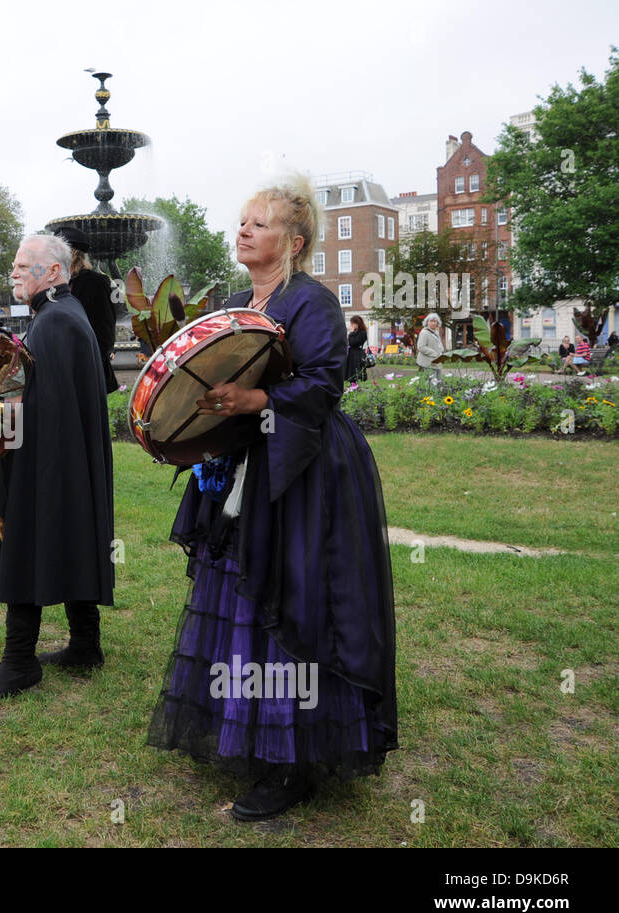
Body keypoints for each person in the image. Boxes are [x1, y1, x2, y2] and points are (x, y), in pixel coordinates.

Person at [146, 177, 397, 821]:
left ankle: (295, 761)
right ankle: (251, 732)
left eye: (260, 223)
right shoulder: (234, 302)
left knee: (294, 598)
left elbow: (323, 384)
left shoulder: (311, 301)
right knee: (242, 594)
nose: (245, 230)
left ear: (295, 240)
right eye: (243, 221)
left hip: (304, 469)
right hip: (245, 466)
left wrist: (256, 400)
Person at [0, 236, 115, 702]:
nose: (13, 272)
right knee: (74, 529)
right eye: (13, 265)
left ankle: (19, 662)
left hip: (43, 458)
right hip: (63, 455)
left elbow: (29, 407)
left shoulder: (54, 322)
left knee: (26, 535)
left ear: (52, 272)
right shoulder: (63, 315)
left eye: (22, 265)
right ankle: (85, 645)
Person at [54, 226, 118, 393]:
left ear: (73, 253)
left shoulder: (97, 282)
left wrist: (90, 363)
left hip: (88, 368)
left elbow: (106, 330)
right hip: (59, 368)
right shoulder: (53, 283)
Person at [415, 312, 444, 385]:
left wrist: (441, 352)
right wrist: (434, 353)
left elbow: (439, 345)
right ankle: (430, 396)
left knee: (439, 382)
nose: (433, 323)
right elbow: (421, 347)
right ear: (427, 322)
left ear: (437, 323)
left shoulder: (435, 333)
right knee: (431, 383)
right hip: (428, 362)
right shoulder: (424, 332)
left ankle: (438, 395)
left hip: (437, 361)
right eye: (431, 321)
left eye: (435, 321)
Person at [347, 315, 369, 383]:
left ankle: (356, 387)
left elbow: (352, 342)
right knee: (352, 372)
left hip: (357, 355)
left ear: (357, 323)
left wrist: (351, 333)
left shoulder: (362, 333)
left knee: (356, 372)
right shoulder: (355, 333)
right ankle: (353, 387)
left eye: (352, 323)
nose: (351, 325)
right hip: (352, 354)